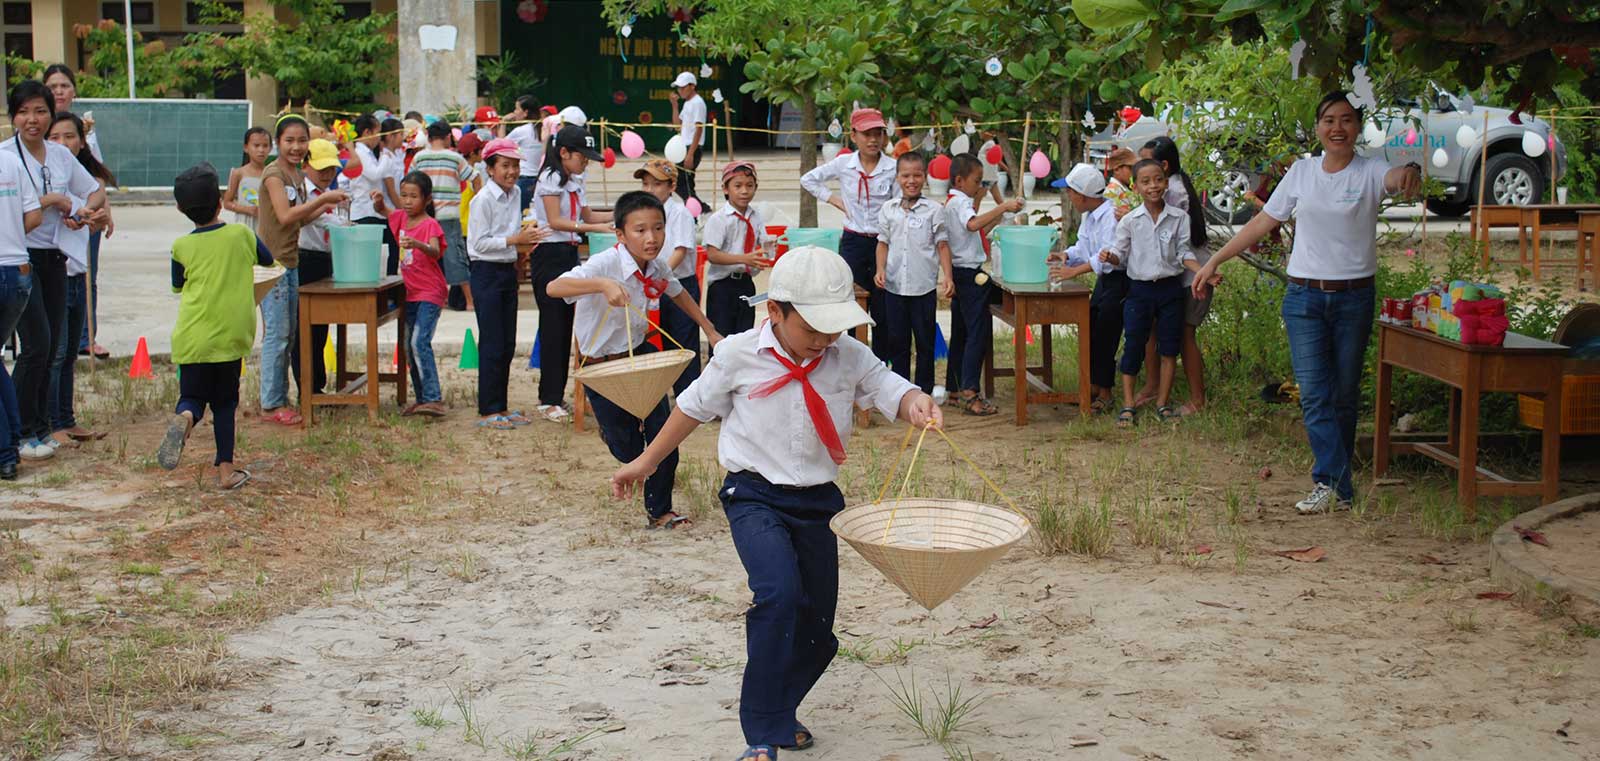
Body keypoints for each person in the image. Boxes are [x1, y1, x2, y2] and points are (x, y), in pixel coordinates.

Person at [609, 246, 942, 761]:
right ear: (776, 312)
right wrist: (646, 462)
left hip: (819, 502)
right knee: (779, 596)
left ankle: (781, 709)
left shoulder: (846, 352)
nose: (825, 340)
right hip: (754, 494)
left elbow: (885, 385)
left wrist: (913, 400)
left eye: (834, 327)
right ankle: (761, 733)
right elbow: (691, 409)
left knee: (817, 629)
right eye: (813, 329)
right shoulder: (738, 354)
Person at [1194, 90, 1421, 514]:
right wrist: (1215, 259)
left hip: (1354, 298)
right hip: (1304, 299)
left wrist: (1410, 170)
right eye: (1329, 120)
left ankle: (1337, 483)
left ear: (1357, 128)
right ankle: (1332, 483)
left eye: (1347, 120)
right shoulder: (1301, 172)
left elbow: (1397, 179)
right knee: (1315, 393)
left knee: (1345, 395)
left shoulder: (1371, 172)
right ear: (1317, 128)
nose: (1337, 127)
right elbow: (1264, 220)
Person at [549, 191, 721, 528]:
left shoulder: (655, 265)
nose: (652, 238)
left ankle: (660, 512)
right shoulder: (604, 263)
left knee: (663, 438)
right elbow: (554, 288)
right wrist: (601, 285)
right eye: (640, 230)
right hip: (603, 366)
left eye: (658, 228)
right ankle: (615, 439)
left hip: (640, 356)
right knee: (627, 449)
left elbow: (679, 293)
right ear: (620, 234)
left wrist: (710, 330)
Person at [4, 80, 106, 462]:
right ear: (13, 115)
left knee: (50, 350)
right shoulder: (5, 157)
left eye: (40, 111)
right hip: (19, 259)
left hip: (56, 259)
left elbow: (94, 189)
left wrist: (83, 211)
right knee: (36, 346)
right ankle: (17, 430)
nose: (32, 119)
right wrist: (52, 201)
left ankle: (40, 427)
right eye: (24, 111)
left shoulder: (60, 156)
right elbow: (12, 217)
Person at [157, 163, 272, 490]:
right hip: (230, 337)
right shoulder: (241, 234)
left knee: (192, 396)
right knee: (224, 404)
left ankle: (186, 418)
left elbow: (178, 286)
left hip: (192, 337)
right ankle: (226, 471)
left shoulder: (181, 246)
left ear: (180, 209)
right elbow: (266, 259)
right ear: (221, 201)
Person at [1103, 160, 1214, 427]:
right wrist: (1111, 257)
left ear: (1166, 182)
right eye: (1146, 181)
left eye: (1158, 180)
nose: (1153, 186)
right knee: (1134, 346)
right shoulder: (1130, 221)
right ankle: (1128, 404)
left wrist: (1203, 272)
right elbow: (1120, 253)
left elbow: (1184, 252)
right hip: (1139, 291)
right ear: (1136, 186)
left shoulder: (1179, 218)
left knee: (1168, 348)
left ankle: (1162, 403)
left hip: (1170, 290)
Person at [255, 116, 349, 426]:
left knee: (290, 335)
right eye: (289, 141)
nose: (296, 147)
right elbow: (284, 216)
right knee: (278, 336)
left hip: (291, 261)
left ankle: (280, 398)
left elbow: (299, 219)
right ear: (277, 143)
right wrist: (323, 200)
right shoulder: (274, 174)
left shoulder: (294, 174)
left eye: (301, 141)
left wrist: (324, 209)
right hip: (273, 264)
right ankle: (271, 403)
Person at [800, 107, 898, 358]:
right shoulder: (845, 164)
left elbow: (898, 204)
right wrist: (834, 199)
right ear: (853, 136)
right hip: (854, 242)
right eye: (867, 134)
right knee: (851, 305)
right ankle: (853, 360)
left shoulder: (892, 167)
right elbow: (809, 180)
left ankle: (882, 362)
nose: (873, 139)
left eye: (878, 133)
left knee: (883, 305)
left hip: (883, 242)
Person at [530, 124, 611, 423]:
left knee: (569, 327)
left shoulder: (575, 179)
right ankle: (548, 398)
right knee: (553, 327)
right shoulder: (550, 177)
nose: (586, 161)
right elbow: (556, 221)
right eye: (582, 156)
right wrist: (592, 229)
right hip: (550, 255)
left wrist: (621, 215)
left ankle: (561, 393)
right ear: (563, 153)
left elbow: (587, 215)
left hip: (569, 253)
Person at [467, 137, 547, 430]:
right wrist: (516, 240)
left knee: (507, 342)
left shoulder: (514, 195)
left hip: (506, 271)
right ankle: (488, 409)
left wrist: (527, 239)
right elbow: (478, 243)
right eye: (505, 165)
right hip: (486, 272)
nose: (511, 171)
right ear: (489, 169)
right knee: (492, 342)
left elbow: (512, 236)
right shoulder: (482, 200)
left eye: (514, 165)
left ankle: (500, 405)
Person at [44, 111, 113, 449]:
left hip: (77, 271)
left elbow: (97, 193)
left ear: (81, 141)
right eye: (54, 137)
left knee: (70, 351)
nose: (62, 143)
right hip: (51, 270)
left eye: (69, 136)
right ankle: (48, 423)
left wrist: (89, 211)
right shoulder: (43, 174)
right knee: (54, 352)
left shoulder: (78, 171)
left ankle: (66, 418)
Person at [1133, 136, 1211, 414]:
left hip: (1192, 277)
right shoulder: (1174, 186)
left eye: (1147, 163)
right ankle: (1154, 386)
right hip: (1178, 278)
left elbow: (1174, 246)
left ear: (1163, 168)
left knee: (1185, 337)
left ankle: (1197, 399)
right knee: (1157, 330)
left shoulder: (1172, 194)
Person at [943, 153, 1022, 415]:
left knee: (962, 333)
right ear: (959, 180)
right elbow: (973, 223)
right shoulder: (962, 202)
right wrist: (1002, 206)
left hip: (961, 272)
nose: (979, 187)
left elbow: (975, 233)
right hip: (969, 275)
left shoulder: (954, 202)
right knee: (978, 333)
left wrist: (999, 218)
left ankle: (954, 388)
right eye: (976, 181)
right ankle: (970, 391)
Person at [43, 64, 110, 360]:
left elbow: (97, 177)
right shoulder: (38, 135)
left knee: (86, 275)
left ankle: (86, 336)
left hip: (84, 215)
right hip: (48, 228)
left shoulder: (86, 131)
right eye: (53, 86)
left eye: (64, 85)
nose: (59, 91)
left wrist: (102, 211)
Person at [1045, 163, 1123, 414]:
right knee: (1091, 326)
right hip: (1104, 283)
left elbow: (1105, 256)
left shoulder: (1110, 216)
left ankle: (1106, 391)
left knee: (1106, 333)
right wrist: (1065, 256)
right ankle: (1091, 385)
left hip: (1120, 281)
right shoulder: (1090, 216)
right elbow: (1083, 247)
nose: (1069, 197)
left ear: (1083, 195)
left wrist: (1073, 272)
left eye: (1070, 192)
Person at [874, 151, 952, 394]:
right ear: (897, 177)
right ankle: (901, 393)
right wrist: (880, 270)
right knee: (897, 342)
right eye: (906, 175)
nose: (911, 180)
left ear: (925, 177)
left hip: (923, 288)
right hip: (895, 286)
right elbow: (883, 242)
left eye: (917, 175)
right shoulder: (889, 209)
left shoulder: (934, 210)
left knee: (925, 342)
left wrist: (947, 277)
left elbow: (942, 245)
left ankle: (924, 391)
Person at [634, 158, 702, 394]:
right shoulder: (645, 214)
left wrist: (661, 278)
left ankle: (689, 394)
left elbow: (680, 251)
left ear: (672, 186)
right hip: (654, 285)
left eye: (656, 184)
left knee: (683, 341)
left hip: (678, 283)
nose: (649, 190)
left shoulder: (679, 213)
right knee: (657, 338)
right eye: (645, 184)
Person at [389, 171, 449, 417]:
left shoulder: (429, 224)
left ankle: (433, 397)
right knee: (407, 346)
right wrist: (380, 204)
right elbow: (387, 215)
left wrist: (418, 245)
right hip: (410, 293)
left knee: (418, 342)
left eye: (413, 196)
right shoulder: (401, 219)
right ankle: (422, 397)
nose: (407, 201)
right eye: (404, 195)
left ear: (426, 199)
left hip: (430, 292)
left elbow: (435, 251)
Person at [0, 141, 43, 479]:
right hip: (18, 271)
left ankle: (4, 453)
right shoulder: (11, 162)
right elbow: (34, 214)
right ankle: (12, 442)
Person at [413, 120, 479, 314]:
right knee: (456, 257)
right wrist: (477, 201)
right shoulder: (454, 158)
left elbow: (410, 182)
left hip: (425, 215)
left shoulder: (419, 158)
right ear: (448, 137)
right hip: (449, 214)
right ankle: (469, 301)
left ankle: (434, 298)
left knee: (427, 258)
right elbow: (475, 177)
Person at [701, 161, 769, 341]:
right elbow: (712, 255)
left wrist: (768, 248)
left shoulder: (756, 217)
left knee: (744, 336)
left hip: (746, 283)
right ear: (725, 189)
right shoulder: (719, 219)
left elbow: (763, 243)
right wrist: (744, 259)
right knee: (721, 337)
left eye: (749, 186)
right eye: (737, 186)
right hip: (723, 286)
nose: (744, 191)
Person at [668, 71, 708, 207]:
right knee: (682, 182)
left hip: (692, 147)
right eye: (679, 88)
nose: (680, 91)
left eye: (683, 87)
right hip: (684, 147)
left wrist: (690, 154)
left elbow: (699, 128)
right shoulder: (687, 103)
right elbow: (677, 126)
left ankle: (699, 209)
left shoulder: (698, 103)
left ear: (692, 86)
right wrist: (674, 106)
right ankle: (698, 208)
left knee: (683, 182)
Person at [224, 127, 271, 232]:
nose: (261, 150)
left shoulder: (272, 173)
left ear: (270, 148)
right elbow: (227, 203)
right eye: (256, 145)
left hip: (266, 227)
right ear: (246, 148)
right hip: (244, 226)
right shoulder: (238, 173)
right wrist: (247, 210)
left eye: (265, 146)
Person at [505, 95, 543, 213]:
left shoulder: (521, 131)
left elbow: (499, 145)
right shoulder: (544, 128)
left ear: (525, 112)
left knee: (517, 215)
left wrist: (502, 123)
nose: (514, 112)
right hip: (540, 179)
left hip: (524, 179)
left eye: (517, 109)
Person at [1104, 147, 1141, 215]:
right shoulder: (1112, 192)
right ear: (1116, 169)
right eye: (1131, 168)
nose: (1134, 171)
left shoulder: (1125, 188)